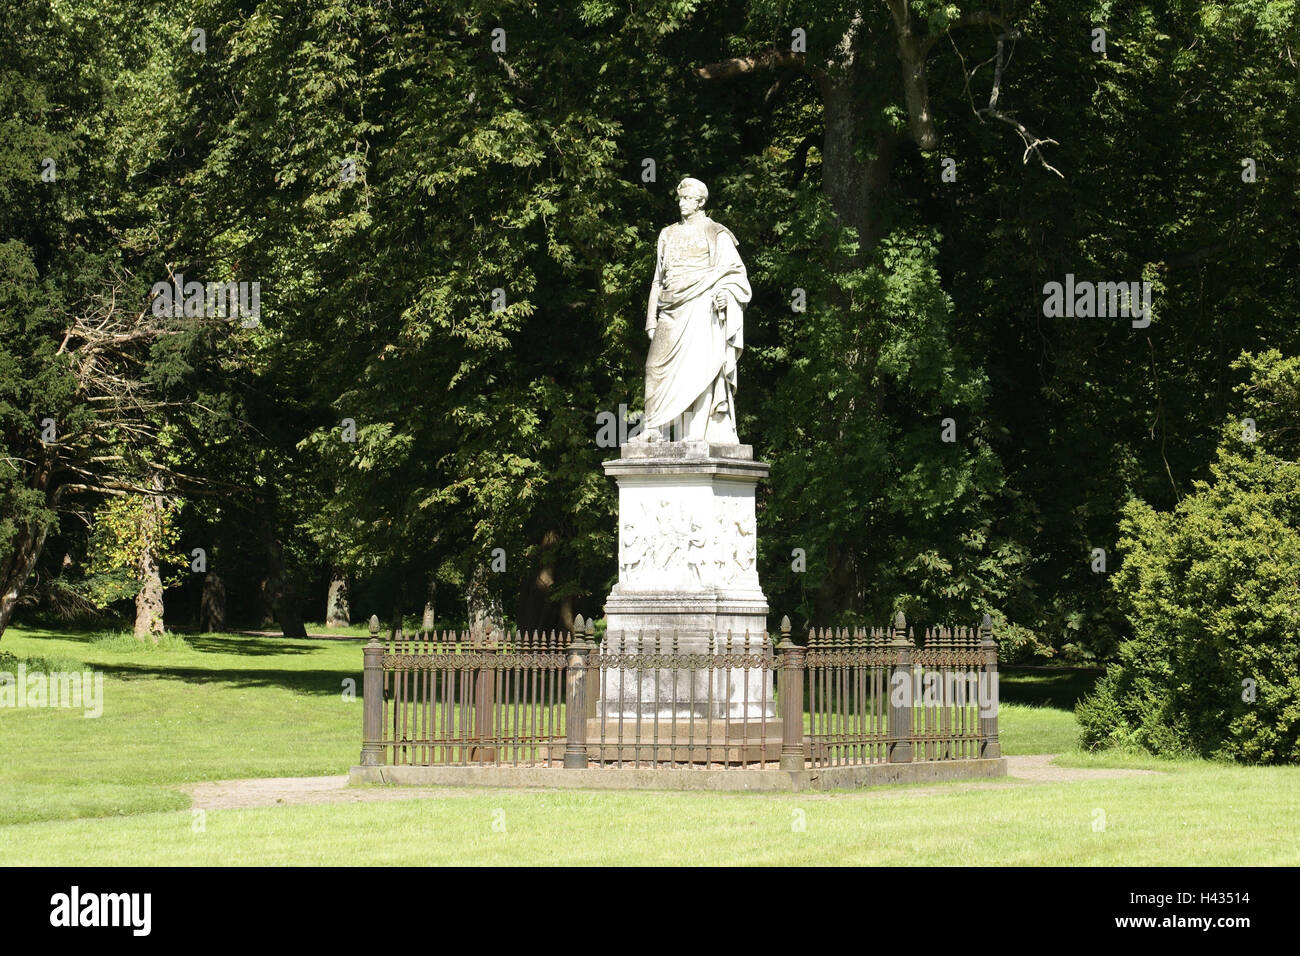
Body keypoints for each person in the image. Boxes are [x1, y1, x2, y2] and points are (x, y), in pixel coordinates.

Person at [637, 178, 751, 443]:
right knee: (654, 367)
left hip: (702, 306)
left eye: (686, 198)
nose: (681, 203)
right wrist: (651, 319)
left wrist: (726, 294)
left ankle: (695, 433)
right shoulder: (667, 233)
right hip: (670, 309)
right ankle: (654, 428)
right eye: (679, 198)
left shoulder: (717, 233)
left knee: (700, 368)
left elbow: (734, 274)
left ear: (700, 202)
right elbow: (658, 279)